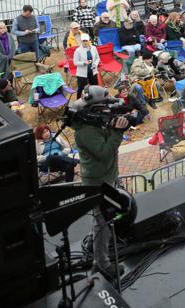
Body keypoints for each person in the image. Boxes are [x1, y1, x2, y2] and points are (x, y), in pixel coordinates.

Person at [73, 86, 129, 280]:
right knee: (103, 224)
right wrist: (118, 132)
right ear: (96, 108)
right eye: (105, 104)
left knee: (100, 221)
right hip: (98, 181)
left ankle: (95, 246)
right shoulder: (86, 130)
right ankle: (102, 264)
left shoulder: (92, 121)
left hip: (105, 177)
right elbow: (105, 153)